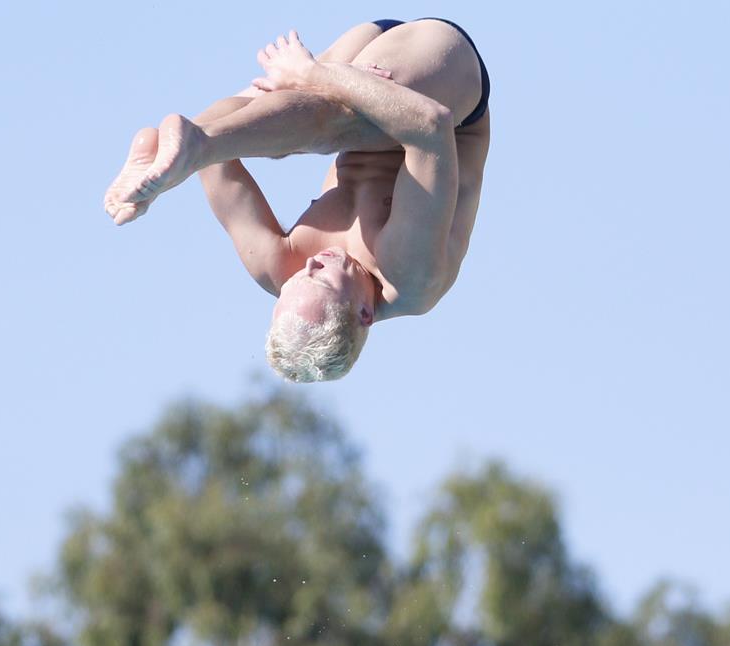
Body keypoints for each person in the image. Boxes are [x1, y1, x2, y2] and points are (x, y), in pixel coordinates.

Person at [103, 20, 492, 382]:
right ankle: (199, 141)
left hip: (358, 71)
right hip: (446, 76)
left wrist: (262, 105)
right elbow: (429, 126)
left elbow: (219, 166)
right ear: (365, 314)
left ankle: (191, 143)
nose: (311, 263)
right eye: (322, 277)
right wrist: (316, 75)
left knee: (254, 134)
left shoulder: (285, 267)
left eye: (299, 278)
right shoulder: (408, 275)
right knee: (330, 122)